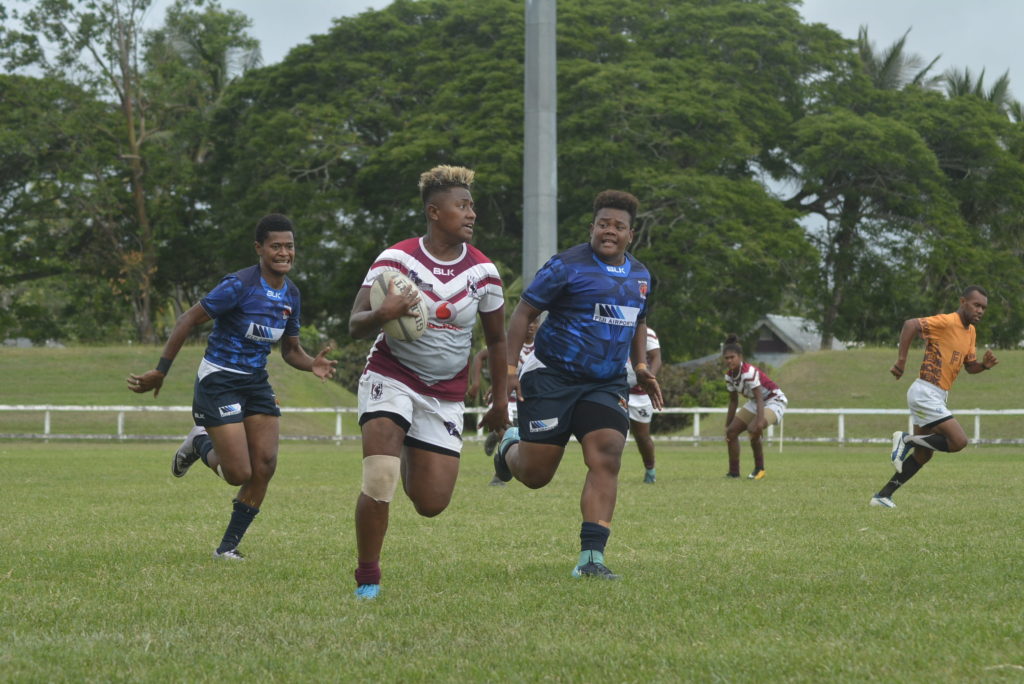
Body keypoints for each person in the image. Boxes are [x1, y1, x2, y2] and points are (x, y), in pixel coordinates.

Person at [127, 213, 337, 560]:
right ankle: (199, 441)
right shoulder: (239, 285)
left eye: (289, 246)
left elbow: (290, 351)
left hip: (255, 382)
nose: (284, 252)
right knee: (238, 472)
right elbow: (187, 319)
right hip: (219, 380)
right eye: (276, 246)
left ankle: (227, 548)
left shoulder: (292, 295)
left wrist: (311, 362)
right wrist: (161, 370)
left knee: (265, 465)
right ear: (259, 248)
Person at [348, 165, 508, 599]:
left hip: (444, 394)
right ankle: (368, 577)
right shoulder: (396, 259)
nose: (472, 214)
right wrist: (384, 312)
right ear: (435, 213)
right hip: (391, 375)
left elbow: (496, 340)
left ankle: (406, 440)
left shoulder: (484, 274)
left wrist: (500, 402)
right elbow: (355, 323)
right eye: (462, 206)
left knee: (431, 503)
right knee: (380, 477)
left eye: (472, 206)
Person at [493, 189, 662, 580]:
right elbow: (523, 313)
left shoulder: (640, 275)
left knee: (607, 455)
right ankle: (509, 447)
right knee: (536, 475)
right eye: (604, 224)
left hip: (604, 382)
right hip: (552, 376)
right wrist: (510, 369)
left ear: (630, 235)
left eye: (619, 226)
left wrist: (639, 364)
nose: (610, 231)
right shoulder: (565, 266)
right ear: (592, 227)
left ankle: (591, 558)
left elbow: (638, 320)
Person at [871, 286, 998, 508]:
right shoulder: (947, 321)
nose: (980, 311)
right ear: (962, 302)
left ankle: (882, 496)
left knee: (923, 455)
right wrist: (901, 361)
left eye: (984, 308)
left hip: (937, 395)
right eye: (976, 305)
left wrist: (984, 366)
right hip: (926, 391)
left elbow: (970, 367)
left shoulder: (971, 332)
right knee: (958, 441)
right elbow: (911, 324)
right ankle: (905, 439)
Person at [467, 317, 541, 485]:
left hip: (525, 399)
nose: (530, 326)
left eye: (534, 322)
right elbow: (480, 356)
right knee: (508, 430)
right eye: (527, 321)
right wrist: (476, 382)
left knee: (520, 435)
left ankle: (495, 438)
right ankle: (499, 476)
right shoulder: (510, 343)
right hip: (503, 396)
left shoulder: (541, 346)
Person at [722, 334, 787, 480]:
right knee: (731, 433)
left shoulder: (748, 373)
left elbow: (759, 396)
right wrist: (727, 425)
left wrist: (759, 421)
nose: (729, 360)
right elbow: (733, 401)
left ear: (740, 357)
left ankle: (760, 469)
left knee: (753, 428)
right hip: (755, 401)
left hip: (774, 400)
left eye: (732, 357)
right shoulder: (729, 376)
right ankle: (734, 472)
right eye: (726, 358)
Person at [625, 326, 662, 483]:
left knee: (642, 437)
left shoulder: (647, 332)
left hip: (640, 394)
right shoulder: (614, 326)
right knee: (610, 433)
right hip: (615, 388)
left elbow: (656, 358)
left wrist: (649, 379)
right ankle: (605, 471)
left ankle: (650, 469)